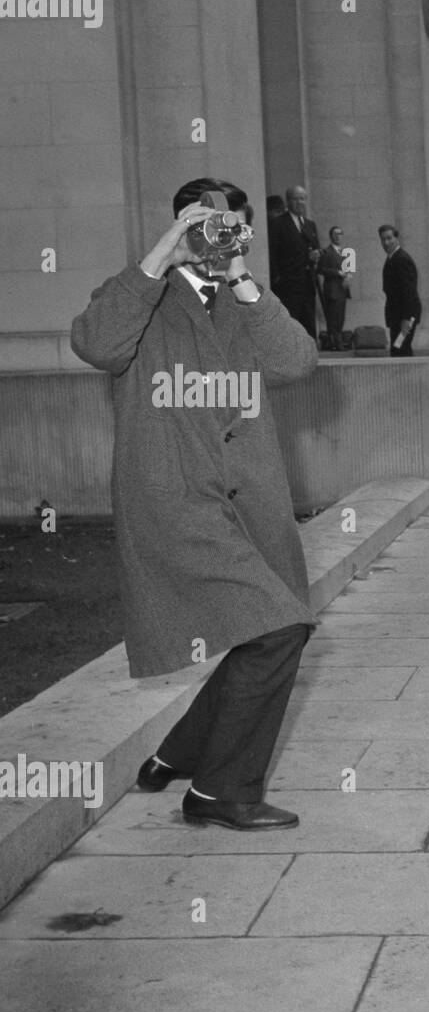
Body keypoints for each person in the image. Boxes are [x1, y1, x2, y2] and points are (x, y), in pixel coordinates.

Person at [70, 177, 318, 831]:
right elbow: (95, 343)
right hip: (179, 500)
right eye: (200, 222)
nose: (214, 234)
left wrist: (241, 275)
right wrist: (160, 257)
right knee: (277, 627)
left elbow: (297, 362)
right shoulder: (142, 296)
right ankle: (219, 792)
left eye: (227, 223)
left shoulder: (245, 299)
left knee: (270, 624)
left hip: (251, 501)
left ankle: (178, 751)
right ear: (177, 225)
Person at [268, 184, 321, 342]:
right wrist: (277, 278)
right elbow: (272, 253)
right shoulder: (278, 223)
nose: (300, 202)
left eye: (303, 199)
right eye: (296, 199)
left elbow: (316, 247)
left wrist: (316, 255)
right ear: (288, 201)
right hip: (288, 284)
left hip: (308, 282)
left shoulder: (310, 225)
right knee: (290, 321)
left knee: (309, 322)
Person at [379, 224, 421, 356]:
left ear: (396, 238)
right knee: (397, 349)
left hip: (405, 317)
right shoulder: (392, 258)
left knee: (401, 350)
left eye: (389, 238)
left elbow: (409, 292)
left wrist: (406, 319)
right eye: (383, 239)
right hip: (397, 316)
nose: (386, 242)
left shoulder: (402, 259)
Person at [317, 226, 351, 352]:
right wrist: (337, 273)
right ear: (331, 236)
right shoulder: (327, 252)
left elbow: (348, 270)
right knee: (333, 318)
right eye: (336, 234)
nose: (338, 236)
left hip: (342, 290)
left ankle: (338, 341)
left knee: (340, 317)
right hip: (332, 290)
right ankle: (336, 342)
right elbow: (320, 269)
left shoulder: (345, 252)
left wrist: (348, 276)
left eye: (340, 233)